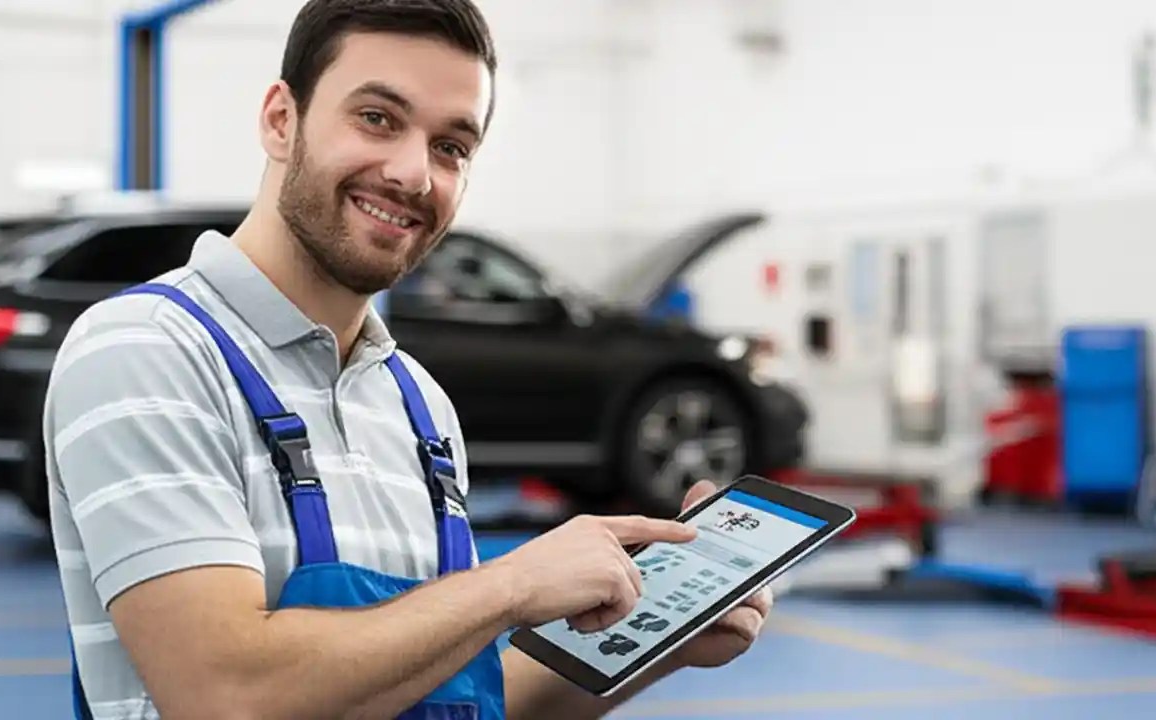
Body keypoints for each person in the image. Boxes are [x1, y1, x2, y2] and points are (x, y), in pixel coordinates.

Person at [44, 1, 773, 718]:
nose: (413, 173)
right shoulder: (148, 352)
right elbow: (227, 697)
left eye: (451, 146)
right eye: (377, 118)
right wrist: (514, 585)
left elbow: (459, 693)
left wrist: (659, 637)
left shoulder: (416, 404)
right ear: (280, 119)